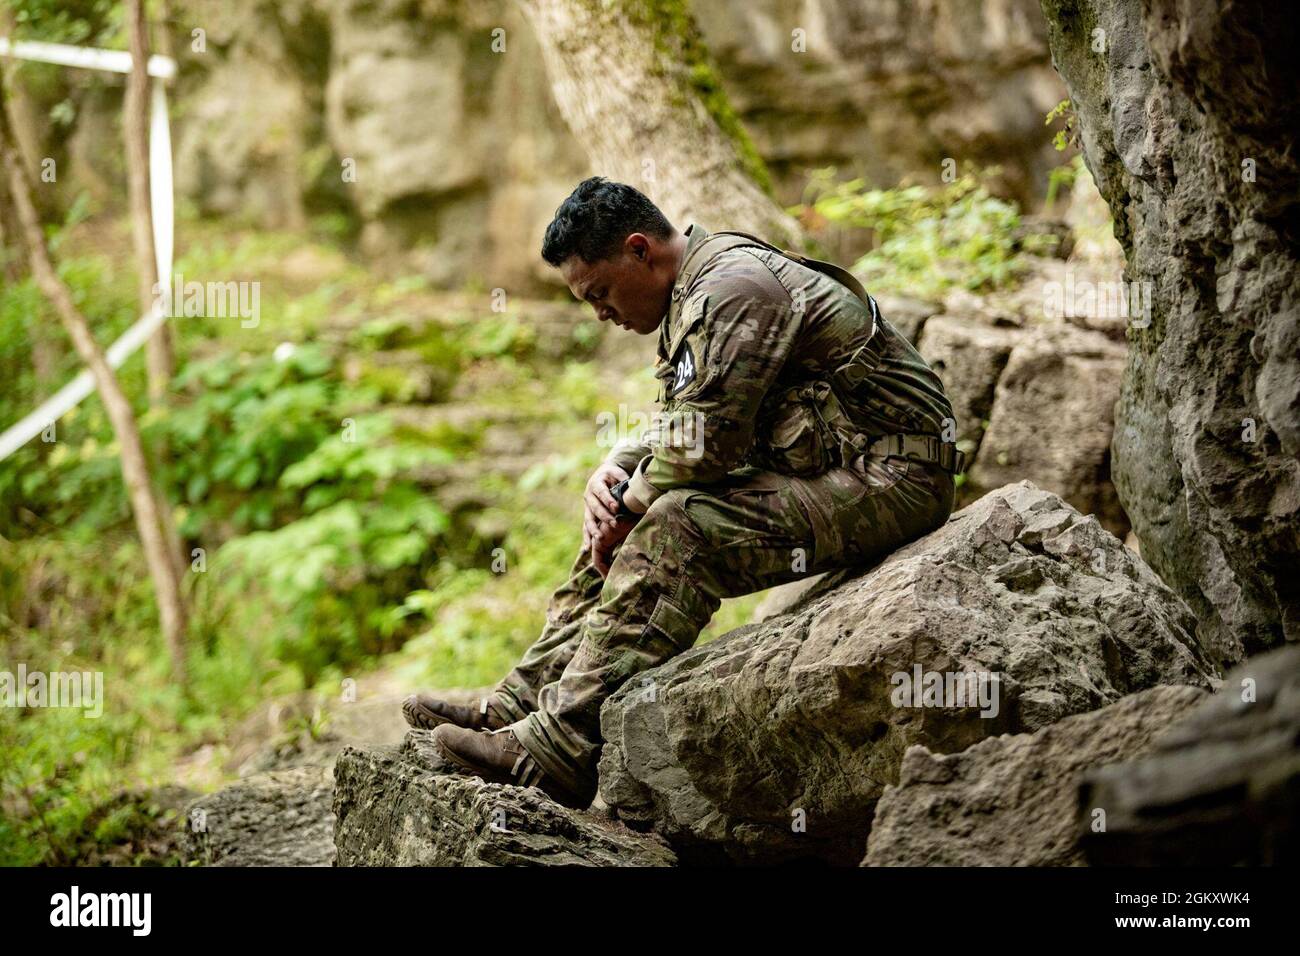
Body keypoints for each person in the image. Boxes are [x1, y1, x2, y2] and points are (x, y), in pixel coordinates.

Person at [403, 177, 962, 807]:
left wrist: (632, 504)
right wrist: (614, 472)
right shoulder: (695, 290)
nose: (601, 315)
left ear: (640, 250)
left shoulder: (734, 286)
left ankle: (561, 748)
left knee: (674, 525)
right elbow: (682, 419)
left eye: (602, 294)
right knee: (619, 516)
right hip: (835, 472)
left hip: (896, 478)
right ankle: (517, 703)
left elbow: (707, 444)